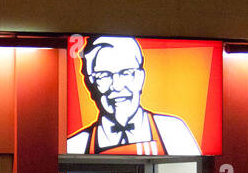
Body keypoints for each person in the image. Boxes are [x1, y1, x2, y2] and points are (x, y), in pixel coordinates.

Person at [67, 36, 201, 155]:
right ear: (90, 84)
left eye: (126, 73)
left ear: (141, 77)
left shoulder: (173, 131)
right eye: (104, 75)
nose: (117, 86)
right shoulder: (75, 145)